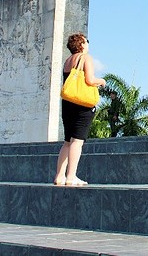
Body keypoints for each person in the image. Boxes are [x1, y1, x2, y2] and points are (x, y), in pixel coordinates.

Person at [54, 33, 105, 186]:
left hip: (68, 102)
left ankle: (59, 176)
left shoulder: (68, 61)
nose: (88, 44)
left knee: (67, 141)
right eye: (86, 42)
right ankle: (71, 176)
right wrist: (101, 81)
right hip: (82, 104)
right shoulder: (85, 58)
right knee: (77, 141)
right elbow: (89, 80)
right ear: (81, 44)